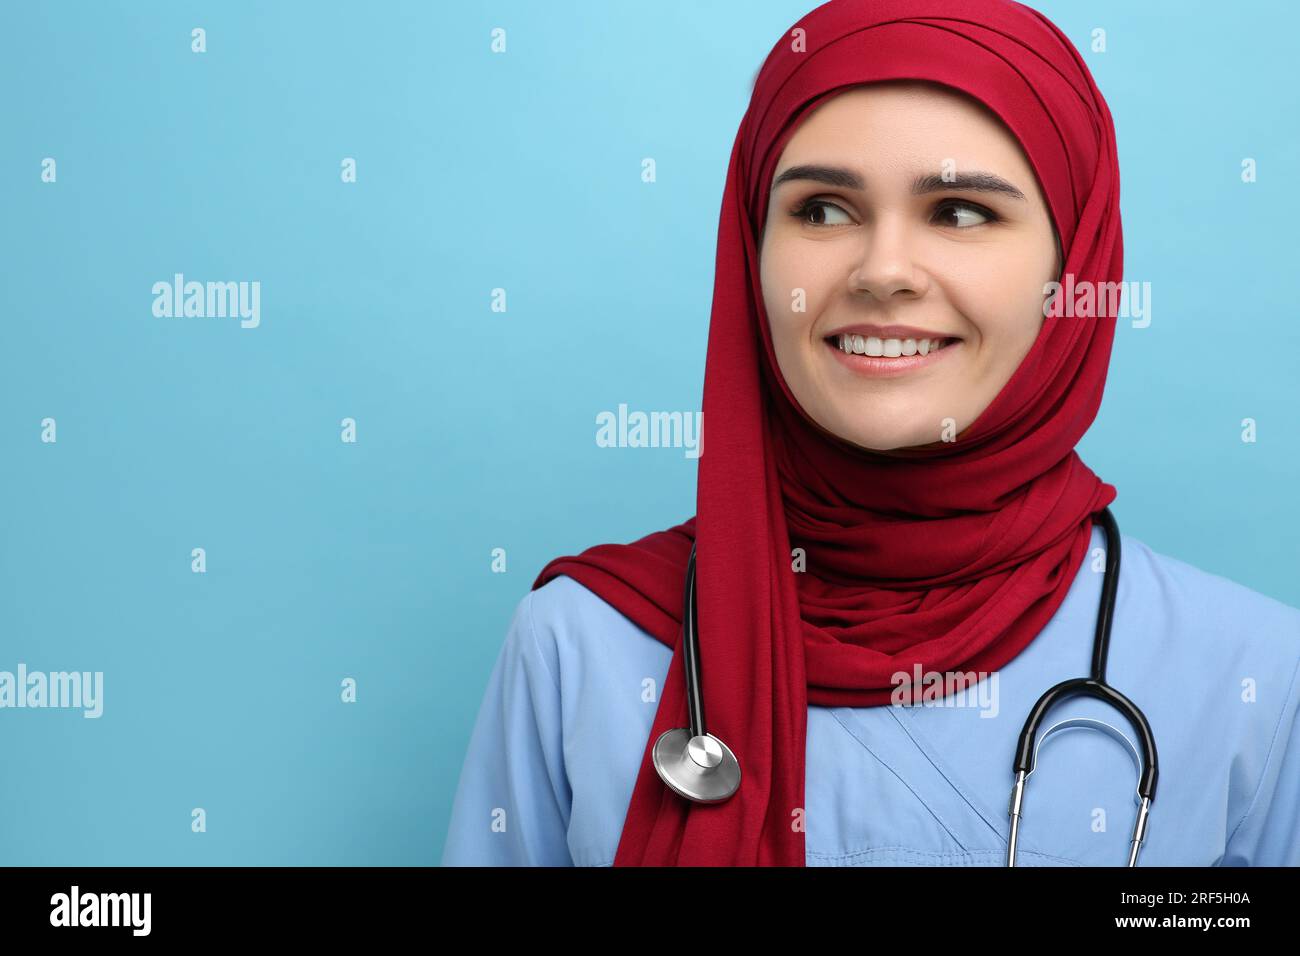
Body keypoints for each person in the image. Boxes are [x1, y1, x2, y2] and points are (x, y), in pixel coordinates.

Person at [441, 0, 1300, 866]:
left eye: (961, 212)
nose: (883, 271)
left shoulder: (1257, 679)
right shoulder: (579, 647)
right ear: (753, 248)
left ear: (1071, 265)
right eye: (820, 210)